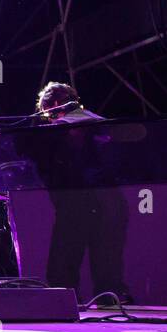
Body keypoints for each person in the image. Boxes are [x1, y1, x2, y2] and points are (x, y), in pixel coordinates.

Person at [35, 81, 126, 301]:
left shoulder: (61, 128)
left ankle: (61, 306)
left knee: (63, 263)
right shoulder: (101, 122)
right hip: (113, 201)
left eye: (48, 114)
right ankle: (110, 307)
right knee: (107, 264)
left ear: (54, 105)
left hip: (76, 200)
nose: (49, 118)